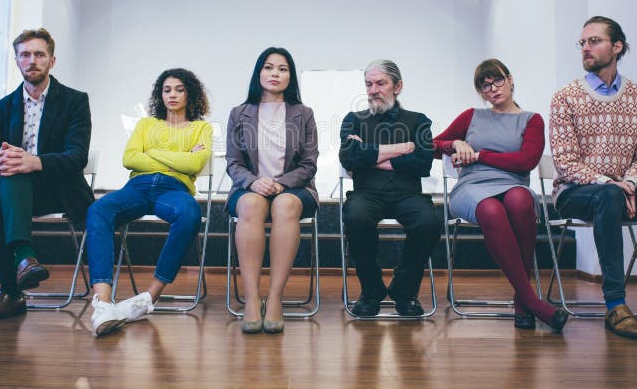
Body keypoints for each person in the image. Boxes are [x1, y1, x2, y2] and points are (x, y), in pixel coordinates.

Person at [550, 16, 637, 339]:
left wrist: (629, 182)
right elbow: (564, 161)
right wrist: (610, 184)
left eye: (594, 41)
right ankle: (615, 304)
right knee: (609, 196)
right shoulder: (566, 97)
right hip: (576, 192)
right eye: (583, 43)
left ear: (617, 47)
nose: (586, 48)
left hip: (623, 189)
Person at [433, 59, 569, 332]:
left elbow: (525, 162)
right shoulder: (471, 116)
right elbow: (432, 146)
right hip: (471, 186)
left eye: (497, 81)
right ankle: (531, 301)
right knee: (491, 210)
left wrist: (481, 155)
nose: (493, 89)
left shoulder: (531, 120)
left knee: (520, 201)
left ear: (510, 79)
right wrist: (455, 143)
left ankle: (523, 301)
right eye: (485, 86)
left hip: (513, 183)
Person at [0, 28, 94, 321]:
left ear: (52, 61)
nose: (32, 60)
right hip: (16, 194)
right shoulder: (1, 109)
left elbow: (77, 157)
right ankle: (24, 259)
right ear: (17, 61)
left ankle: (11, 291)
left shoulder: (74, 101)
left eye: (39, 54)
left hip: (59, 192)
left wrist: (32, 162)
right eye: (25, 55)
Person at [85, 68, 212, 337]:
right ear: (160, 94)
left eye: (179, 89)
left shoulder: (201, 128)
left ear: (190, 93)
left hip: (174, 190)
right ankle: (104, 303)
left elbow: (195, 163)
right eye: (167, 90)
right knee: (99, 209)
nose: (173, 95)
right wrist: (177, 158)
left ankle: (148, 298)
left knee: (189, 213)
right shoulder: (145, 124)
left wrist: (151, 152)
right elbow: (130, 159)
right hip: (138, 188)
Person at [226, 47, 318, 334]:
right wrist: (253, 182)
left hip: (295, 188)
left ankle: (275, 296)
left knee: (284, 205)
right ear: (258, 73)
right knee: (252, 205)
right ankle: (252, 297)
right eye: (268, 67)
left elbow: (309, 163)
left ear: (290, 76)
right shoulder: (239, 113)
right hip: (249, 188)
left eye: (282, 68)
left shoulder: (304, 114)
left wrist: (281, 184)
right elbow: (233, 162)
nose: (275, 73)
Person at [339, 59, 440, 317]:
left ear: (398, 86)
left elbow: (422, 162)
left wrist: (370, 157)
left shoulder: (418, 121)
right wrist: (401, 149)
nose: (373, 90)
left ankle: (404, 291)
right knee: (356, 216)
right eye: (369, 84)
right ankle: (371, 291)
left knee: (428, 221)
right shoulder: (354, 119)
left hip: (409, 195)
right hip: (366, 194)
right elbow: (349, 158)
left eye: (380, 83)